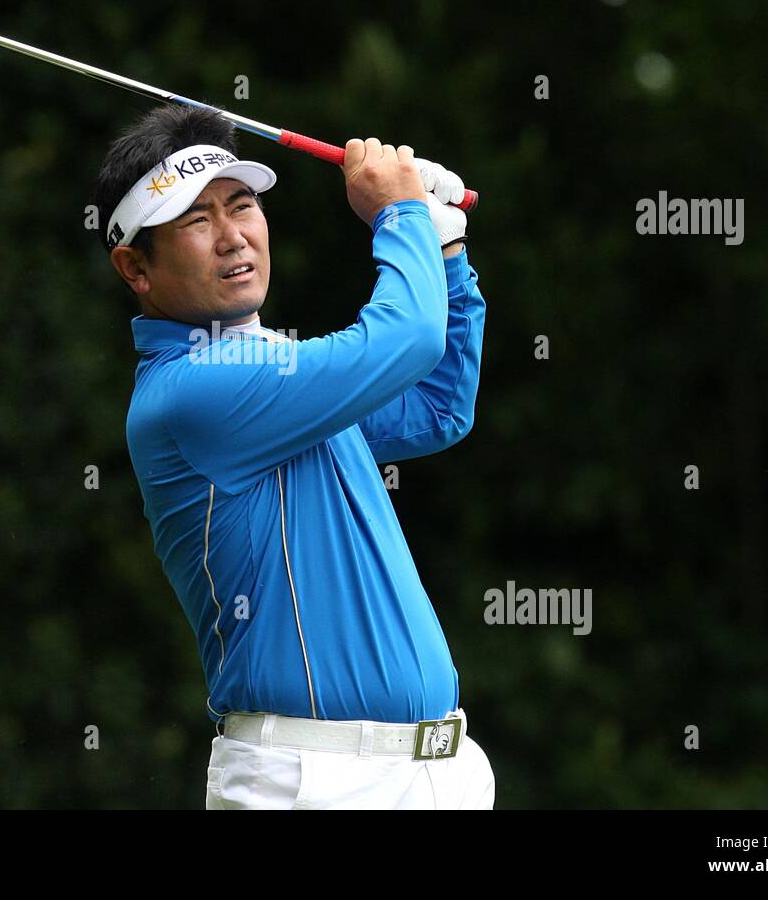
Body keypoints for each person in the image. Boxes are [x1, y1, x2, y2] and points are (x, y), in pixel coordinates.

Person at [96, 103, 491, 809]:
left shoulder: (280, 368)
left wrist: (447, 251)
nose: (232, 236)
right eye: (195, 221)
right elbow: (406, 341)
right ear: (136, 269)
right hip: (311, 779)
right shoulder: (193, 391)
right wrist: (400, 216)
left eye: (241, 205)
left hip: (435, 774)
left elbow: (438, 408)